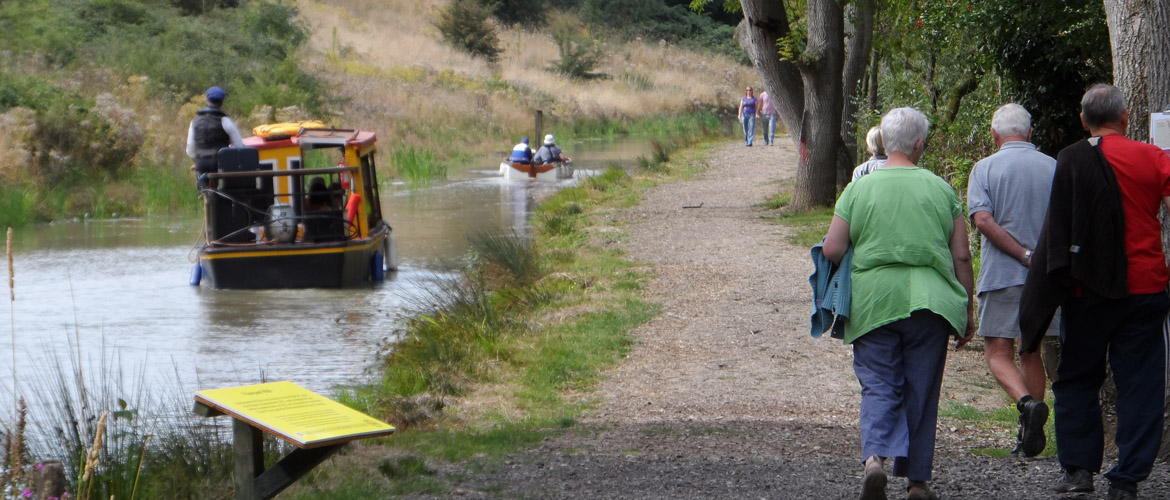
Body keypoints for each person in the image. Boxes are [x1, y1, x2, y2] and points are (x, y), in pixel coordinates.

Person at [1020, 84, 1170, 499]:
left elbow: (1060, 227)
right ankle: (1127, 478)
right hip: (1145, 288)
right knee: (1141, 383)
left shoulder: (1070, 158)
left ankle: (1078, 471)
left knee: (1077, 377)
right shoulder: (1154, 158)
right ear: (1125, 118)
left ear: (1084, 120)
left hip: (1087, 288)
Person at [822, 107, 974, 500]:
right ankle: (918, 482)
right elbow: (961, 256)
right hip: (931, 302)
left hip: (873, 300)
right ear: (919, 144)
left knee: (878, 384)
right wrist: (968, 309)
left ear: (884, 142)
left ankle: (875, 459)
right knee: (921, 389)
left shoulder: (858, 188)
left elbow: (833, 248)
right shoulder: (941, 189)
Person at [966, 103, 1059, 458]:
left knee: (997, 352)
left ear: (994, 135)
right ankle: (1028, 432)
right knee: (1030, 350)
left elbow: (983, 222)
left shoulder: (985, 168)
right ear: (1031, 133)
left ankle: (1026, 405)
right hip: (1047, 277)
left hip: (1003, 275)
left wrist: (1022, 255)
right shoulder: (1053, 167)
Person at [186, 86, 244, 189]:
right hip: (220, 163)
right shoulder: (225, 120)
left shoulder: (194, 121)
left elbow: (190, 146)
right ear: (221, 103)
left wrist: (195, 161)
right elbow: (238, 145)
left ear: (207, 100)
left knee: (203, 186)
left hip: (201, 162)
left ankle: (205, 196)